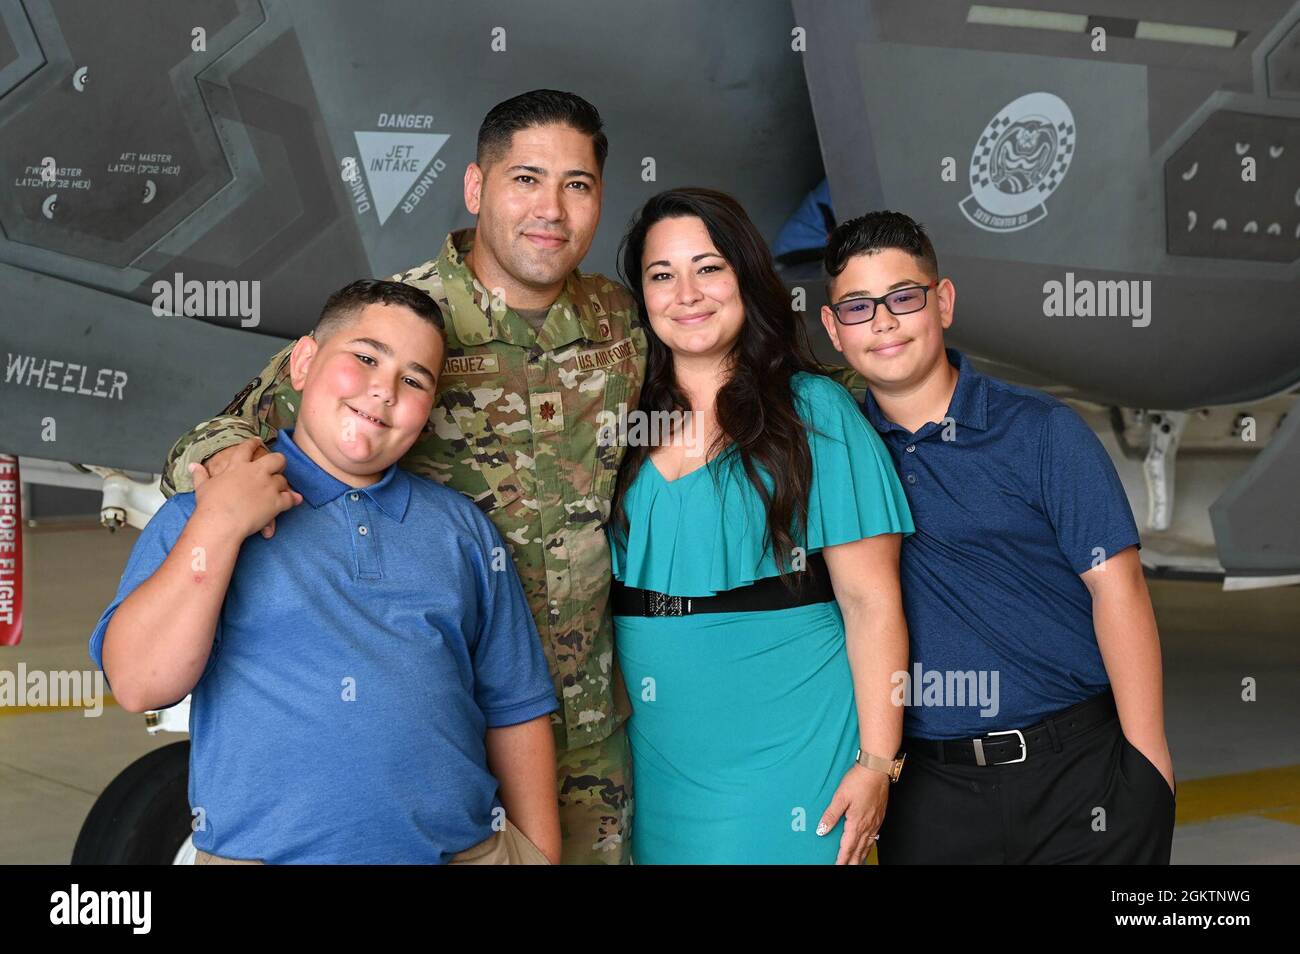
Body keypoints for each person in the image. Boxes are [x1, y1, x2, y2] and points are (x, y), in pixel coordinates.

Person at [160, 90, 645, 863]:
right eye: (526, 179)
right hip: (438, 734)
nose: (551, 208)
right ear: (476, 188)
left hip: (589, 733)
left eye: (576, 185)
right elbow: (211, 437)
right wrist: (229, 487)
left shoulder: (620, 324)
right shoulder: (399, 326)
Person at [90, 280, 560, 864]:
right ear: (305, 362)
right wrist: (219, 525)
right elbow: (139, 683)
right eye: (364, 358)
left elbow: (516, 707)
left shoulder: (461, 530)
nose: (383, 391)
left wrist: (537, 858)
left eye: (414, 380)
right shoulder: (200, 515)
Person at [818, 210, 1176, 864]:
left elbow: (1118, 590)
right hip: (928, 789)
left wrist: (1149, 768)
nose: (884, 322)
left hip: (1078, 773)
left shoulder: (1042, 432)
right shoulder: (839, 453)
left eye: (904, 297)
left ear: (943, 301)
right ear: (833, 328)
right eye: (858, 307)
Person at [606, 188, 913, 864]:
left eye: (709, 267)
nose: (686, 292)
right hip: (659, 761)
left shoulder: (814, 410)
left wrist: (878, 763)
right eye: (662, 275)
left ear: (746, 276)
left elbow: (871, 602)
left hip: (793, 747)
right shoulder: (621, 418)